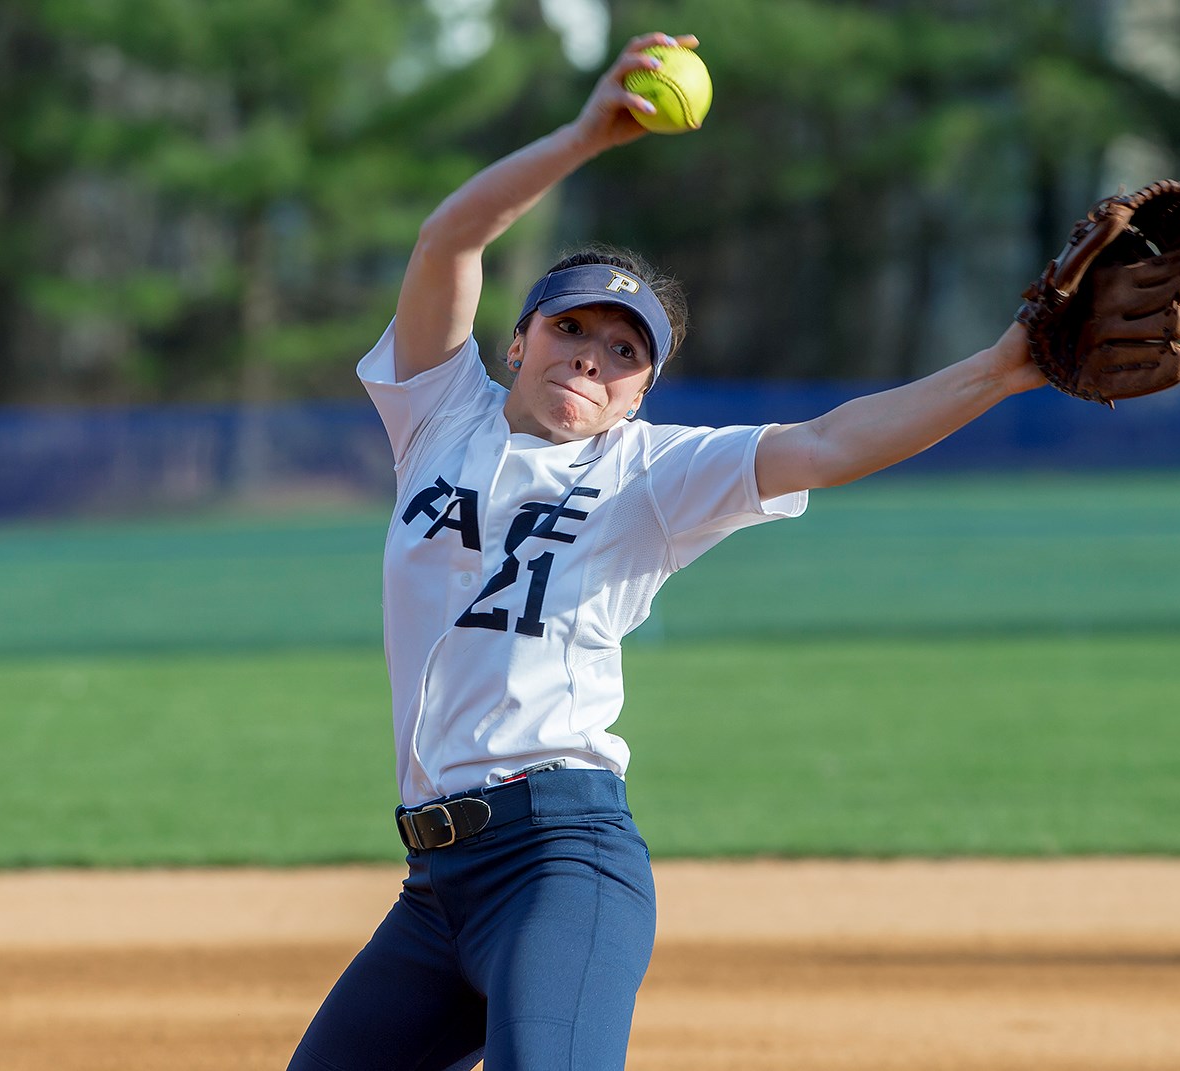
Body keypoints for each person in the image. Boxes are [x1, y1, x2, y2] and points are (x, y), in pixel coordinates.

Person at [286, 30, 1046, 1071]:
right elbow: (447, 242)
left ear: (644, 392)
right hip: (433, 888)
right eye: (572, 329)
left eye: (624, 351)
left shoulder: (653, 473)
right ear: (521, 340)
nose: (591, 358)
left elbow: (829, 443)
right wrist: (583, 138)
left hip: (560, 862)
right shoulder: (437, 415)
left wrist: (1007, 366)